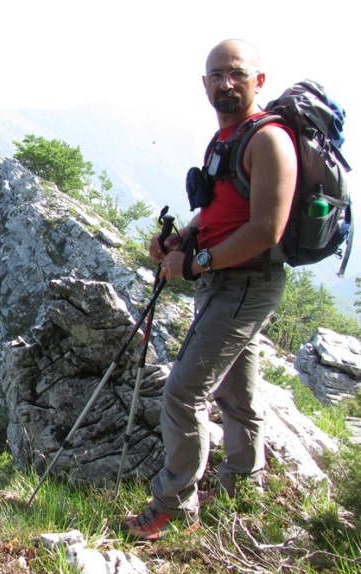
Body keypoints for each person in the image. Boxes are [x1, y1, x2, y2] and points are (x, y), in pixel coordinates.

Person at [120, 39, 298, 541]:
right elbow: (222, 210)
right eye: (216, 75)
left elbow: (267, 229)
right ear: (204, 84)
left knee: (182, 392)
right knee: (236, 392)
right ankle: (246, 486)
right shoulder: (227, 138)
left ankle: (173, 505)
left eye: (237, 73)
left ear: (258, 80)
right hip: (224, 279)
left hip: (245, 282)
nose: (226, 83)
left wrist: (195, 263)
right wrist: (183, 237)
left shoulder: (268, 140)